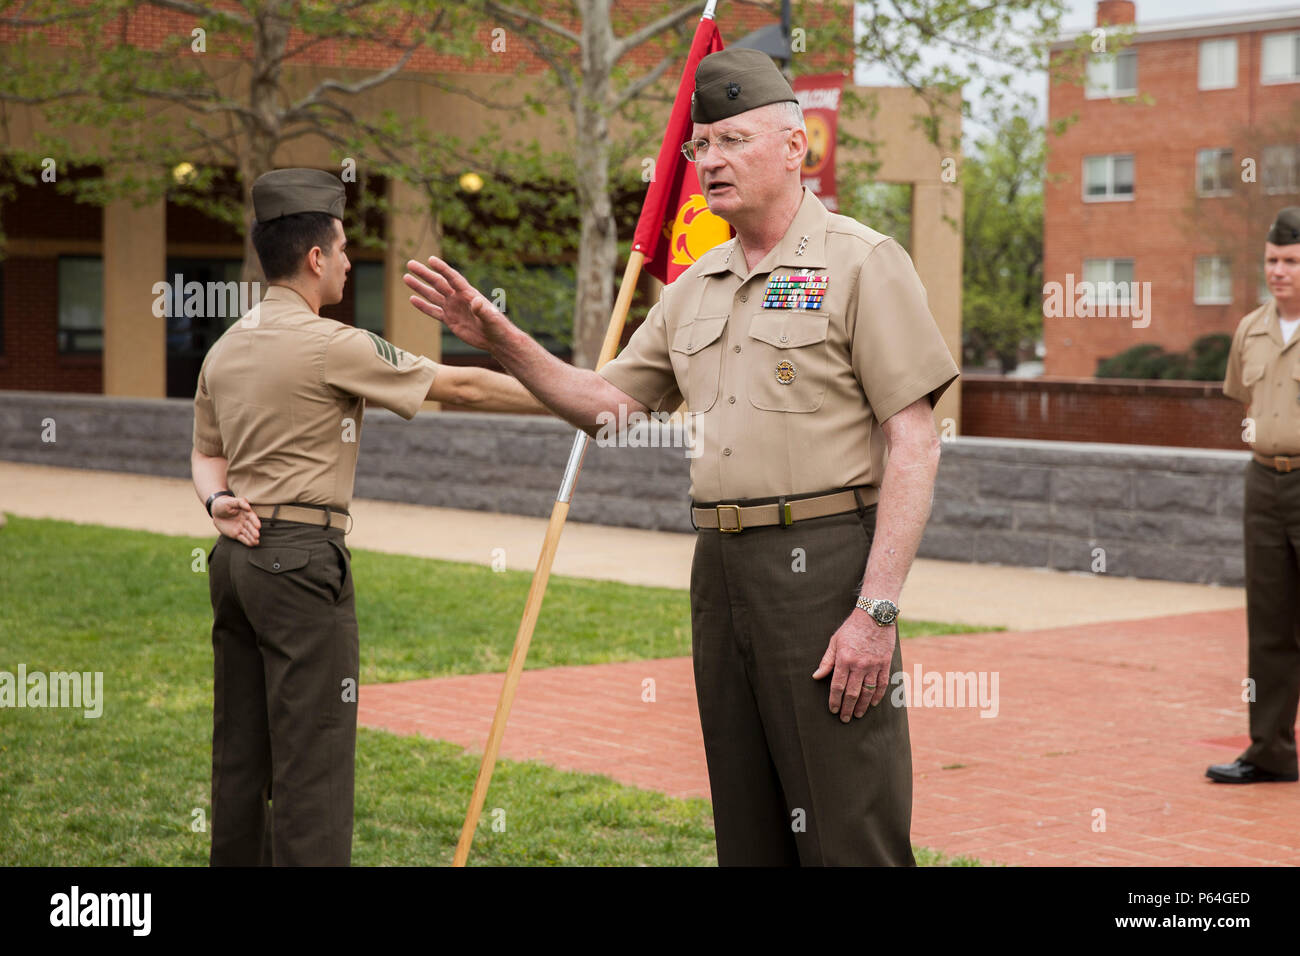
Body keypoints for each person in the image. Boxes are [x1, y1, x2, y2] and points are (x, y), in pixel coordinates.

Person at [404, 48, 959, 865]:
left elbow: (913, 440)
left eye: (733, 140)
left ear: (794, 145)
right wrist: (504, 340)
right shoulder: (695, 288)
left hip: (828, 570)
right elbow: (609, 409)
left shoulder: (861, 261)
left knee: (849, 830)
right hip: (721, 573)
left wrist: (875, 613)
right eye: (700, 147)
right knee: (748, 826)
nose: (710, 163)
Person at [192, 167, 546, 865]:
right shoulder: (336, 344)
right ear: (316, 257)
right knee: (313, 760)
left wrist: (215, 502)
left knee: (240, 752)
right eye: (346, 248)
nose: (352, 262)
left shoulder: (225, 346)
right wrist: (575, 397)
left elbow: (205, 456)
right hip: (300, 561)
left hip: (235, 562)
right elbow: (464, 387)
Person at [1211, 206, 1300, 785]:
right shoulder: (1251, 329)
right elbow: (1246, 402)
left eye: (1291, 261)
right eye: (1272, 260)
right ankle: (1269, 750)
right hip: (1264, 482)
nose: (1279, 271)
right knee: (1269, 624)